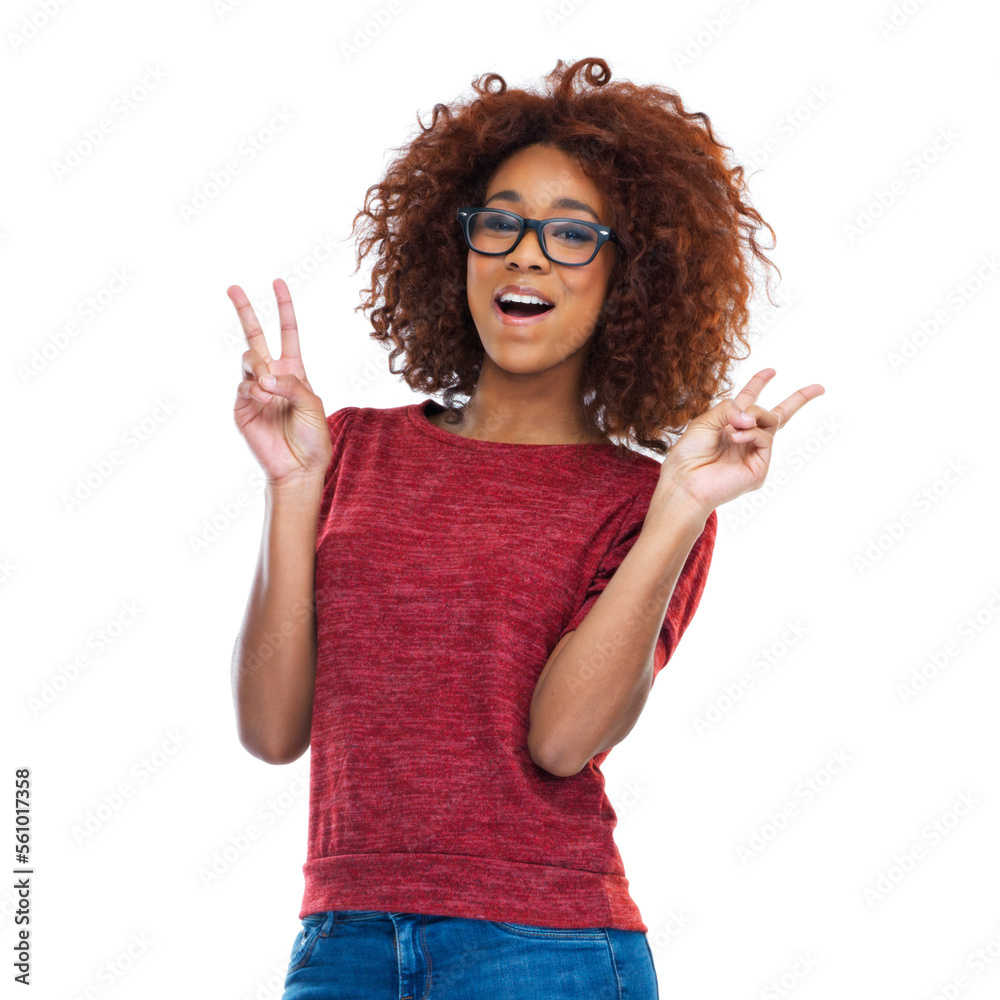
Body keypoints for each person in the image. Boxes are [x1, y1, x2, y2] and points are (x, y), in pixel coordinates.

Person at [228, 56, 824, 1000]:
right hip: (339, 938)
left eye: (573, 234)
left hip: (544, 952)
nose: (528, 253)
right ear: (457, 246)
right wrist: (292, 488)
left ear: (629, 279)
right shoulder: (348, 450)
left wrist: (678, 509)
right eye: (500, 221)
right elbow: (269, 731)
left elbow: (561, 742)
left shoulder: (646, 500)